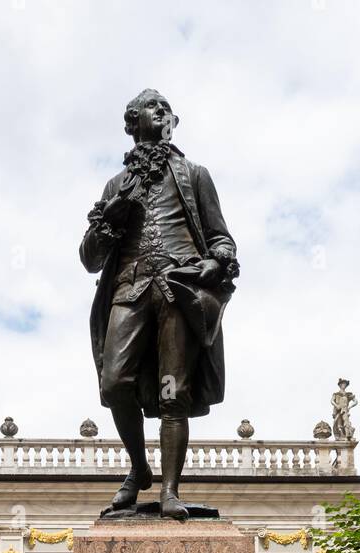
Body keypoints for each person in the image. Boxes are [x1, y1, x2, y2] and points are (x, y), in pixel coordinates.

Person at [80, 89, 239, 520]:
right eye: (155, 107)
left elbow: (222, 237)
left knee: (174, 393)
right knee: (113, 383)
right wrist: (109, 221)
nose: (165, 113)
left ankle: (170, 490)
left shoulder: (194, 174)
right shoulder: (116, 186)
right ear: (133, 121)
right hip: (129, 289)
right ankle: (139, 467)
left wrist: (215, 260)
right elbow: (89, 258)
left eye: (168, 108)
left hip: (177, 288)